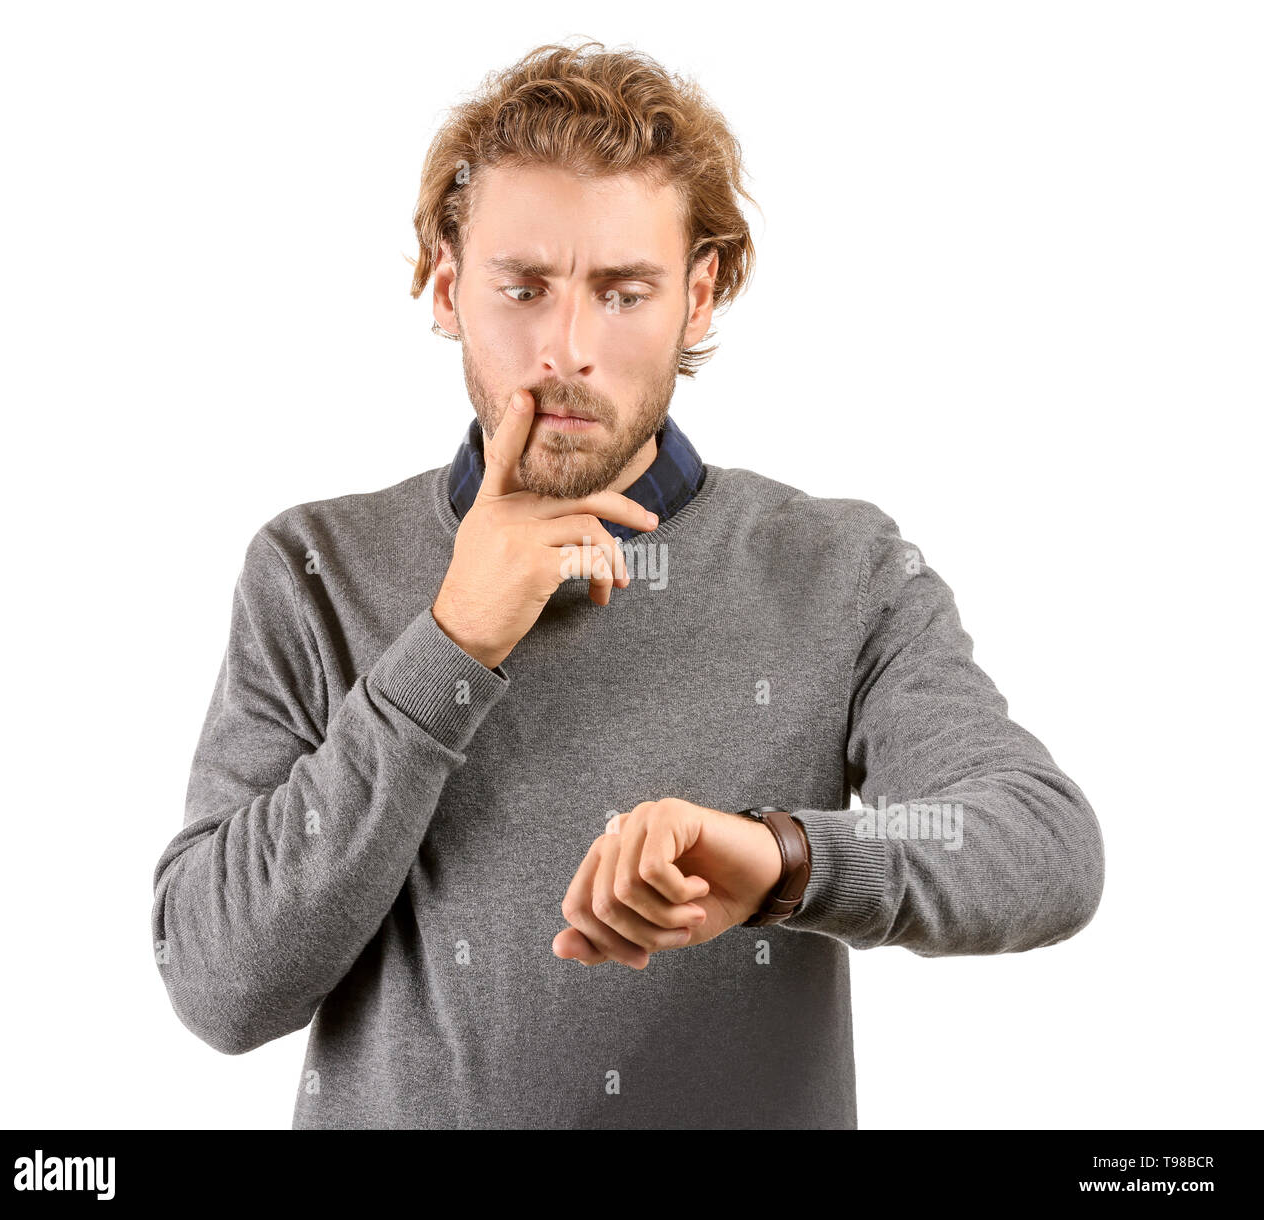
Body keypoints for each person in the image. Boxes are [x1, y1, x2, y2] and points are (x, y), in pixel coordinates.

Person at [151, 40, 1104, 1129]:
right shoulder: (313, 567)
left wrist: (783, 856)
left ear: (698, 299)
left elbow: (1040, 843)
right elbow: (217, 981)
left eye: (622, 291)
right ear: (444, 281)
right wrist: (451, 642)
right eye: (522, 286)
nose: (566, 348)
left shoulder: (838, 570)